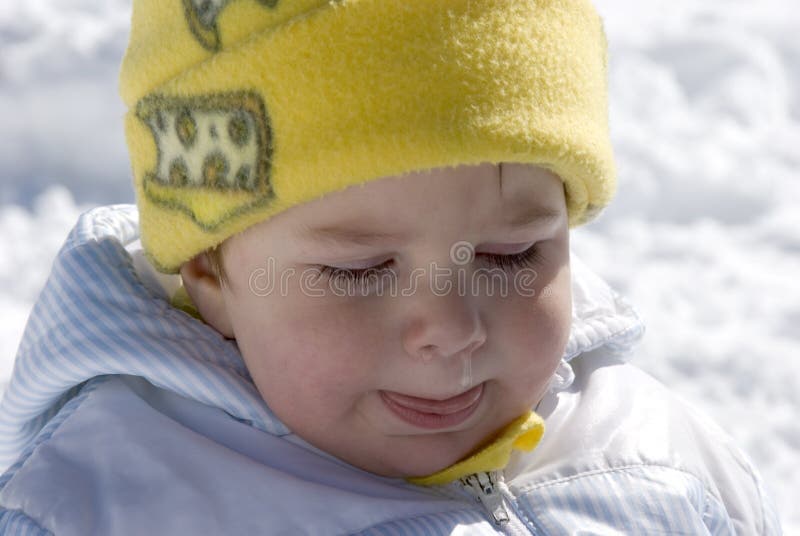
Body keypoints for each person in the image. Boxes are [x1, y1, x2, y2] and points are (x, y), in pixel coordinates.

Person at [0, 0, 781, 534]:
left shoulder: (662, 456)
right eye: (361, 269)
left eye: (513, 254)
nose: (449, 329)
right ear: (210, 270)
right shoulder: (108, 509)